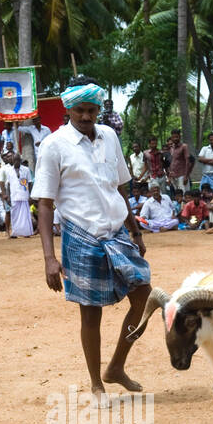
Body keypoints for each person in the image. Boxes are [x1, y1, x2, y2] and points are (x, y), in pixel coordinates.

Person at [33, 77, 152, 398]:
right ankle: (96, 382)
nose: (86, 117)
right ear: (68, 109)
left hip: (117, 231)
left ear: (99, 109)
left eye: (92, 110)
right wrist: (49, 258)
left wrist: (134, 229)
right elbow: (44, 204)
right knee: (91, 312)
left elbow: (121, 186)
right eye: (80, 111)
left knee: (144, 295)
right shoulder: (54, 145)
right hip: (81, 236)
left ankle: (115, 367)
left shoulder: (110, 136)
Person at [7, 151, 34, 238]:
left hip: (24, 195)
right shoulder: (9, 171)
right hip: (14, 196)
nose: (16, 162)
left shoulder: (26, 170)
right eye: (15, 160)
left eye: (18, 160)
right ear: (12, 160)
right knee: (14, 215)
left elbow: (30, 183)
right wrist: (7, 197)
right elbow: (8, 184)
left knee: (25, 216)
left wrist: (30, 195)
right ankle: (15, 233)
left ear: (20, 160)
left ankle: (26, 233)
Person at [166, 129, 192, 194]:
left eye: (176, 137)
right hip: (173, 176)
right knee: (178, 195)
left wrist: (186, 176)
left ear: (180, 137)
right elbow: (171, 162)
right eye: (173, 137)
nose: (175, 139)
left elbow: (188, 162)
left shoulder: (184, 146)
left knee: (184, 194)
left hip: (182, 175)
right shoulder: (171, 148)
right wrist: (169, 175)